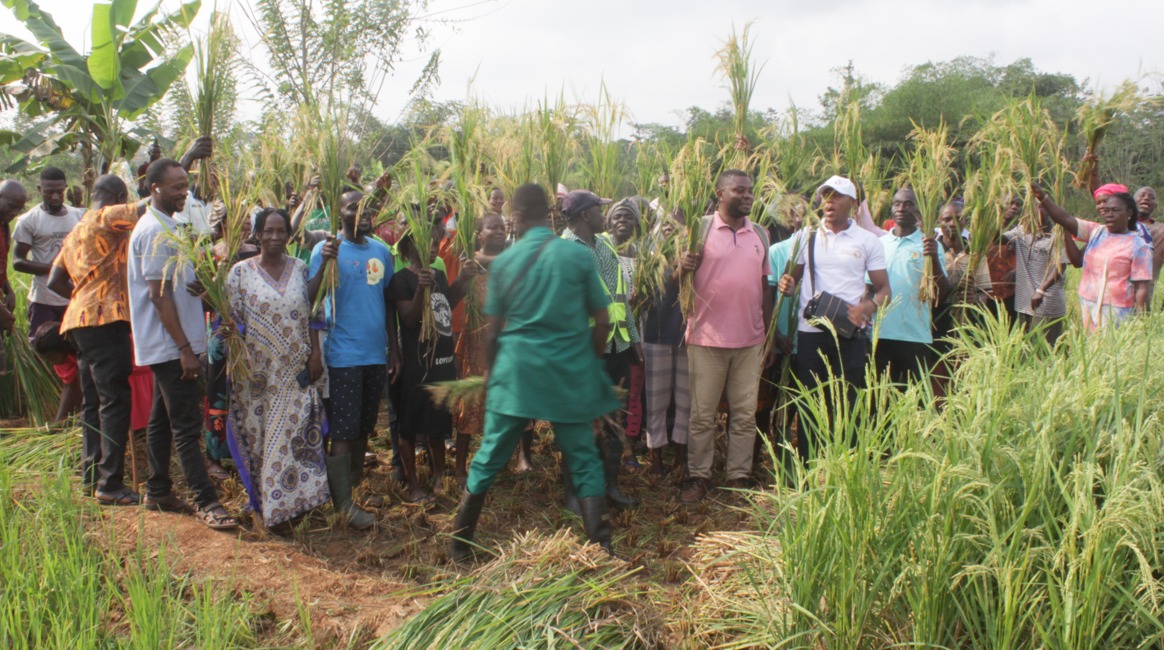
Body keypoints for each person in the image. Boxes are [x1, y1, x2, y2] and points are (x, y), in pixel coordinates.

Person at [450, 183, 618, 561]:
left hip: (518, 373)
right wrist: (589, 364)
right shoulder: (574, 257)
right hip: (568, 372)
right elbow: (603, 320)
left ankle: (460, 546)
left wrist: (492, 373)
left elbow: (493, 330)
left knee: (491, 454)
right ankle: (602, 548)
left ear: (518, 217)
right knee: (583, 457)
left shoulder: (506, 262)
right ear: (550, 215)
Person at [128, 158, 237, 530]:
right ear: (154, 188)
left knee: (161, 418)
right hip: (171, 346)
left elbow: (175, 287)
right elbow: (159, 297)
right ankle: (206, 501)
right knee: (188, 425)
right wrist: (185, 350)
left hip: (173, 344)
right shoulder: (154, 231)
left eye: (185, 184)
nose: (184, 191)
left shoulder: (170, 226)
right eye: (176, 186)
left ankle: (157, 489)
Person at [47, 174, 148, 504]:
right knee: (115, 400)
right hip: (105, 320)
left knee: (93, 402)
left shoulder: (76, 230)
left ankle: (91, 476)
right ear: (118, 196)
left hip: (79, 321)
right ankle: (110, 484)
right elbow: (148, 207)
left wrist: (83, 297)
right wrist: (186, 161)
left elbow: (54, 279)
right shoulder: (106, 218)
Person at [225, 208, 329, 529]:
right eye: (267, 231)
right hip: (257, 374)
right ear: (257, 235)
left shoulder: (299, 268)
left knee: (295, 433)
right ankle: (269, 504)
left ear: (288, 235)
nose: (274, 237)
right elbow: (229, 322)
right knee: (262, 437)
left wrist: (315, 353)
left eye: (280, 231)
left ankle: (290, 505)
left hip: (295, 368)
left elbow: (312, 310)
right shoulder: (239, 274)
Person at [677, 170, 774, 503]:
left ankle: (738, 477)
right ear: (720, 193)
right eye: (739, 190)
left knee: (744, 415)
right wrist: (682, 267)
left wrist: (768, 334)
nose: (747, 196)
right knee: (702, 415)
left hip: (750, 341)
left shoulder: (760, 234)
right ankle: (698, 476)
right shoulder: (699, 230)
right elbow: (676, 283)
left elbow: (765, 287)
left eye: (750, 191)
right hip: (706, 340)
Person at [777, 176, 890, 461]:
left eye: (837, 196)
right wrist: (787, 286)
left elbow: (884, 289)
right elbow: (791, 279)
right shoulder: (808, 235)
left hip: (850, 333)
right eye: (826, 195)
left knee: (850, 401)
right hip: (811, 331)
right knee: (810, 402)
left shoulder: (868, 241)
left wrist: (869, 307)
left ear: (852, 204)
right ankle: (807, 467)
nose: (829, 201)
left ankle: (848, 464)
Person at [309, 189, 398, 529]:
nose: (364, 213)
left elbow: (387, 302)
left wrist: (394, 348)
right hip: (342, 354)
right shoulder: (327, 249)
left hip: (375, 354)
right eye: (354, 207)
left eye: (369, 207)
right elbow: (310, 298)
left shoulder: (381, 251)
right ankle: (343, 505)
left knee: (363, 425)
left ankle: (354, 488)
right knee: (343, 430)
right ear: (339, 212)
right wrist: (327, 260)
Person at [561, 190, 641, 509]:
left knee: (613, 420)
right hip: (582, 351)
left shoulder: (605, 244)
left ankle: (611, 486)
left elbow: (621, 297)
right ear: (584, 215)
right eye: (599, 210)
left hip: (616, 347)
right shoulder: (564, 250)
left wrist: (633, 339)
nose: (603, 215)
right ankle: (575, 493)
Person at [389, 226, 474, 502]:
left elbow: (446, 305)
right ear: (409, 247)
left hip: (441, 362)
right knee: (410, 426)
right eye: (426, 240)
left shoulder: (437, 274)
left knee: (438, 424)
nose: (433, 245)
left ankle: (439, 475)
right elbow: (410, 320)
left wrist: (464, 277)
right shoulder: (400, 280)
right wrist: (420, 290)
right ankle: (413, 484)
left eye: (435, 240)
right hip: (416, 364)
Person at [13, 166, 83, 422]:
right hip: (44, 300)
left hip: (74, 300)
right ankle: (54, 407)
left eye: (59, 191)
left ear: (65, 189)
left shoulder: (78, 216)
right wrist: (57, 269)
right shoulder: (29, 220)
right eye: (49, 192)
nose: (55, 197)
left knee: (78, 355)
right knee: (50, 355)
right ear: (40, 190)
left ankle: (78, 410)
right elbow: (18, 262)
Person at [1033, 185, 1151, 331]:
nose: (1109, 214)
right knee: (1090, 348)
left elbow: (1141, 287)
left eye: (1115, 210)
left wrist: (1142, 319)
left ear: (1129, 212)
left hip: (1117, 310)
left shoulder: (1138, 246)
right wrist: (1041, 195)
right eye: (1106, 211)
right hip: (1088, 303)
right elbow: (1064, 218)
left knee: (1112, 350)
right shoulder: (1096, 232)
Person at [452, 212, 508, 483]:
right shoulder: (470, 263)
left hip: (507, 346)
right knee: (471, 403)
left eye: (503, 227)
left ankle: (498, 461)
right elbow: (451, 300)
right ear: (479, 233)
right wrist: (463, 278)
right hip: (477, 345)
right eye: (493, 227)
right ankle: (460, 466)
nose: (500, 231)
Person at [872, 188, 949, 385]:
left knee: (915, 401)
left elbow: (942, 292)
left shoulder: (929, 244)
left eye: (908, 204)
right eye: (897, 203)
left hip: (915, 336)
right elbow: (868, 287)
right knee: (879, 401)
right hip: (880, 334)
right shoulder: (878, 244)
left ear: (919, 210)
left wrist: (933, 258)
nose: (901, 208)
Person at [641, 218, 689, 476]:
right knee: (656, 401)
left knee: (686, 401)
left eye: (677, 224)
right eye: (666, 224)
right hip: (656, 335)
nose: (670, 228)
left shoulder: (695, 259)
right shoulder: (650, 259)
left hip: (688, 337)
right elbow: (650, 291)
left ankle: (681, 458)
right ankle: (656, 458)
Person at [1005, 206, 1068, 345]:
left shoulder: (1056, 236)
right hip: (1023, 303)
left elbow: (1060, 266)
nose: (1034, 210)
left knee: (1045, 350)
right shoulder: (1021, 231)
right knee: (1026, 348)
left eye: (1040, 206)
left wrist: (1041, 290)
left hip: (1046, 303)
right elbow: (1000, 239)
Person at [0, 180, 27, 329]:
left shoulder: (4, 226)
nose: (15, 213)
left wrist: (8, 291)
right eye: (11, 207)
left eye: (19, 209)